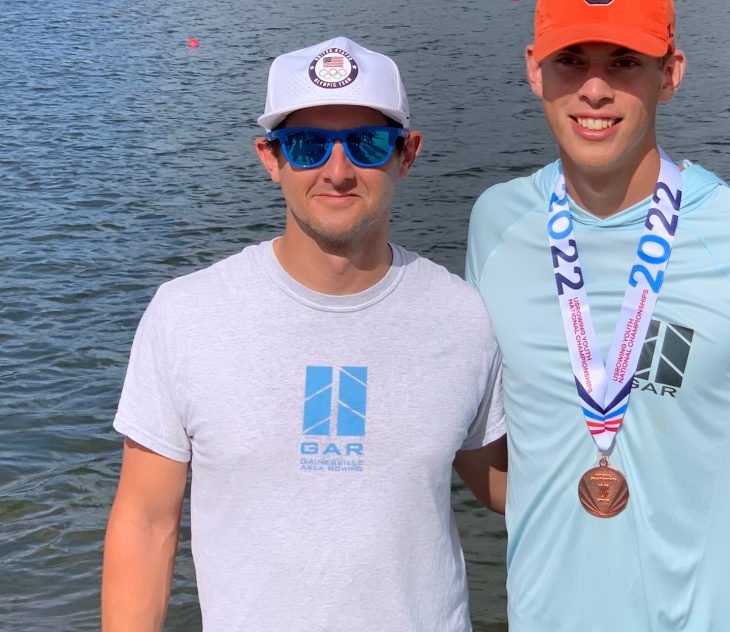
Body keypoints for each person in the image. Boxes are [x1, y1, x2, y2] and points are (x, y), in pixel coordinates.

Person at [466, 0, 730, 631]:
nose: (594, 89)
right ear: (534, 70)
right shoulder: (496, 225)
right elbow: (484, 432)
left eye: (624, 62)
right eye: (570, 60)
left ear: (670, 74)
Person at [103, 35, 507, 632]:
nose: (337, 172)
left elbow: (505, 486)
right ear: (271, 158)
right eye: (308, 145)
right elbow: (145, 522)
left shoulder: (462, 315)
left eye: (367, 144)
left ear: (407, 154)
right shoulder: (185, 314)